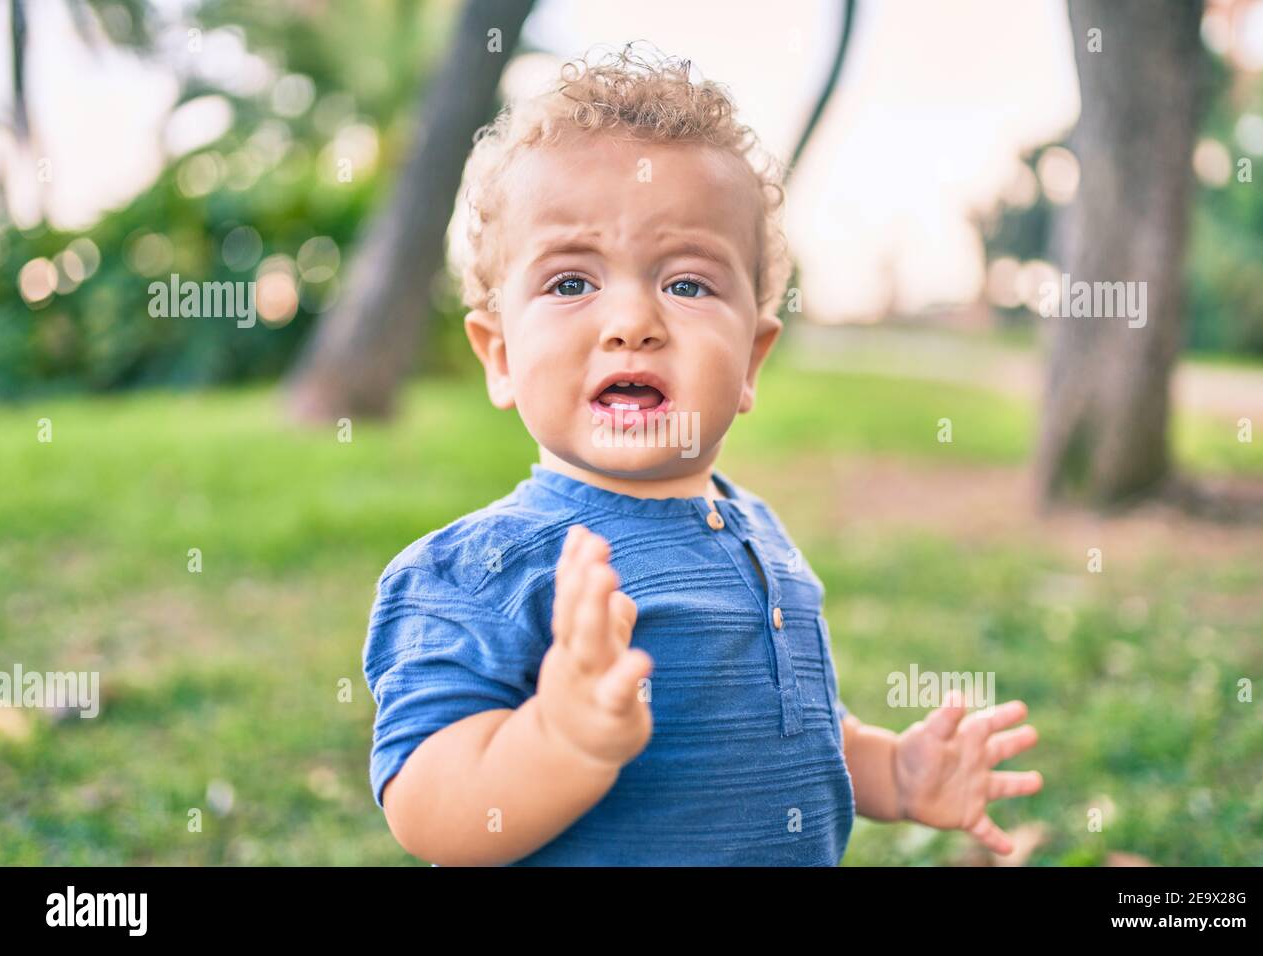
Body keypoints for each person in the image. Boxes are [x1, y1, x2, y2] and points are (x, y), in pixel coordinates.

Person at [363, 44, 1042, 865]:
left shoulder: (758, 533)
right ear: (499, 355)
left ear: (752, 361)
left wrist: (895, 772)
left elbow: (799, 726)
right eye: (571, 283)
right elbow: (430, 810)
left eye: (687, 284)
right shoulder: (480, 568)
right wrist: (559, 740)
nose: (632, 321)